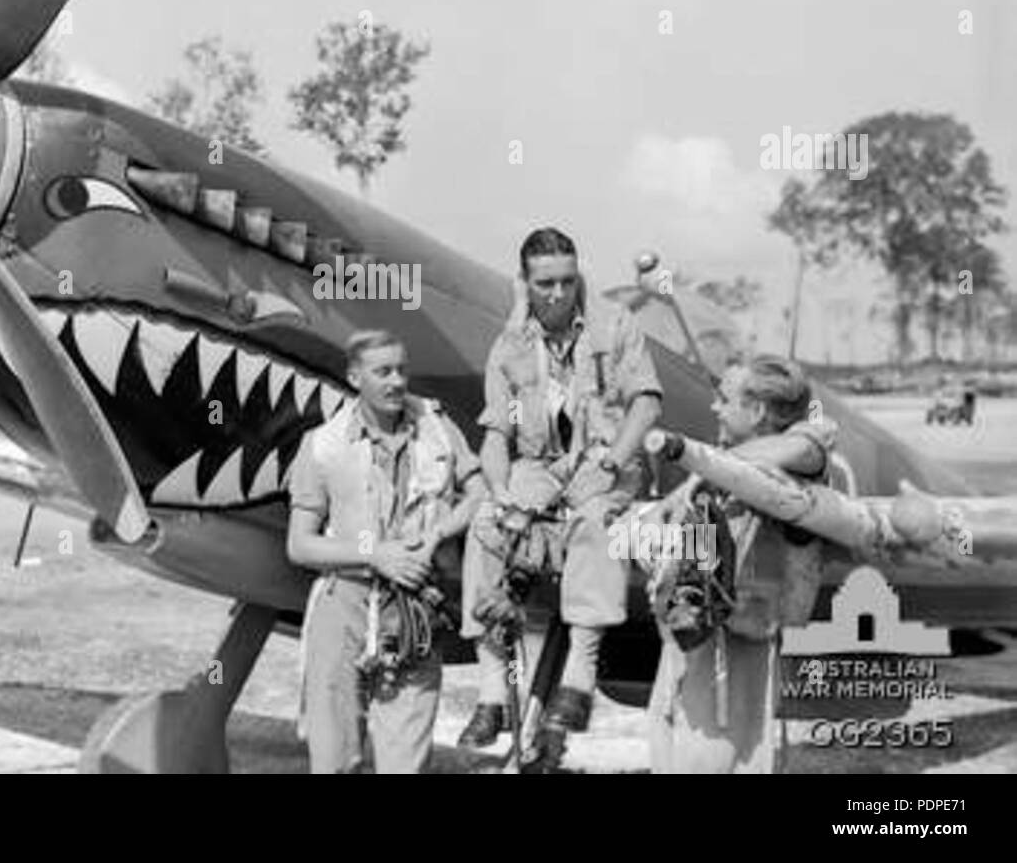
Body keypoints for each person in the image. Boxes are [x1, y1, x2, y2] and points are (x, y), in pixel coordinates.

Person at [458, 227, 663, 770]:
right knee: (485, 524)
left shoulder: (616, 325)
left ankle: (580, 671)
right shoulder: (510, 345)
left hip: (604, 458)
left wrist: (614, 459)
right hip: (536, 466)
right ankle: (491, 691)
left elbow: (645, 406)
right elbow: (497, 435)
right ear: (525, 283)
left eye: (568, 281)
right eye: (545, 282)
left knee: (596, 522)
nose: (558, 292)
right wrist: (502, 494)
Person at [286, 329, 488, 773]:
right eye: (383, 372)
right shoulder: (321, 445)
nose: (397, 381)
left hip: (415, 612)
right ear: (355, 377)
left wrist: (436, 535)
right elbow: (300, 544)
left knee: (405, 764)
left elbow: (479, 495)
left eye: (402, 369)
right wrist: (372, 553)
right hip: (343, 609)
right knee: (335, 760)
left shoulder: (438, 428)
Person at [645, 354, 837, 774]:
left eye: (725, 399)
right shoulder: (724, 459)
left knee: (714, 755)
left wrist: (701, 471)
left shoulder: (805, 451)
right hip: (690, 631)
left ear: (757, 411)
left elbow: (800, 449)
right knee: (669, 741)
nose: (714, 407)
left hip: (739, 638)